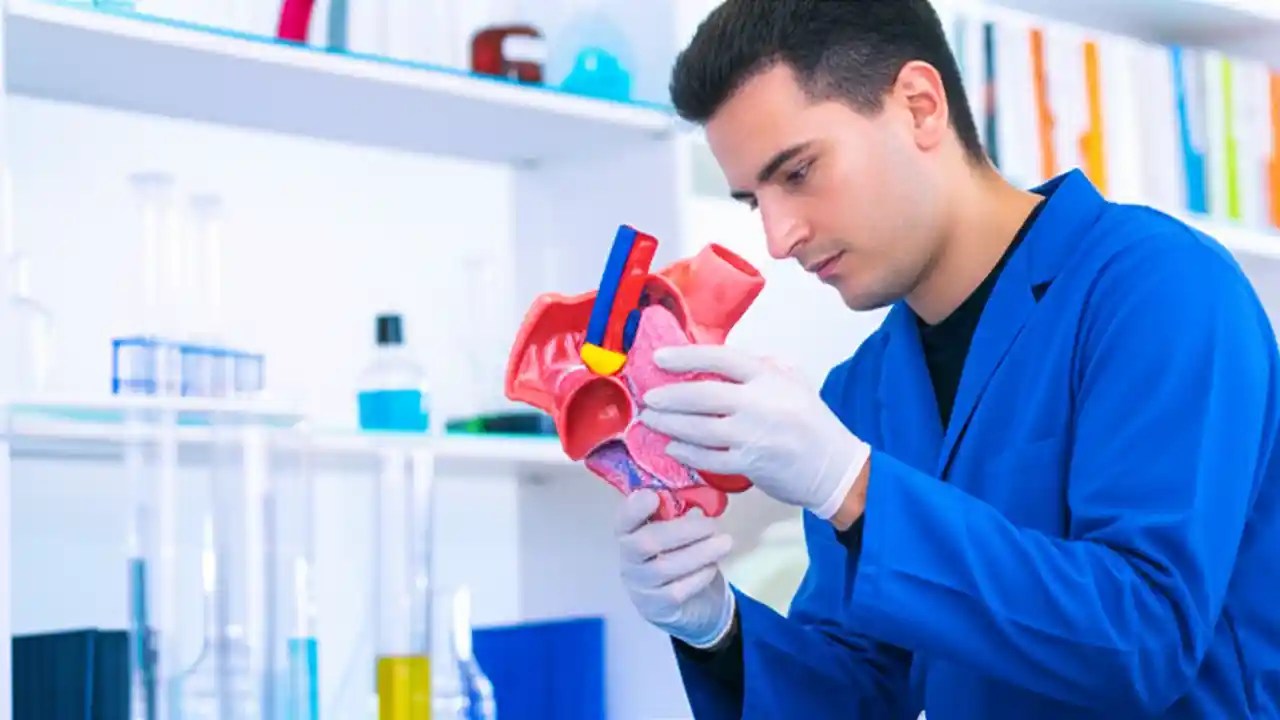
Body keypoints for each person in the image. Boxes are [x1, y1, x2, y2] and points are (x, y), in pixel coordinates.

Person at [613, 0, 1280, 717]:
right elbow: (863, 689)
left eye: (799, 173)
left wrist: (853, 487)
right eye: (753, 201)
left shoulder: (1158, 288)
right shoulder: (860, 393)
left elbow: (1145, 636)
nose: (779, 237)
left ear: (921, 106)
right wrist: (718, 627)